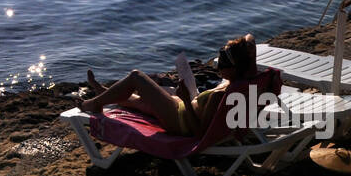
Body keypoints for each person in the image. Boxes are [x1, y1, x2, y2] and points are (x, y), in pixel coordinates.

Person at [80, 35, 260, 139]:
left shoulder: (220, 96)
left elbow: (200, 134)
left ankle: (94, 104)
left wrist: (186, 101)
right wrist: (244, 46)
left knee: (136, 77)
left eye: (222, 65)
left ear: (235, 67)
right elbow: (250, 38)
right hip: (183, 110)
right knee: (141, 102)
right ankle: (104, 94)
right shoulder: (243, 82)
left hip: (180, 121)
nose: (218, 68)